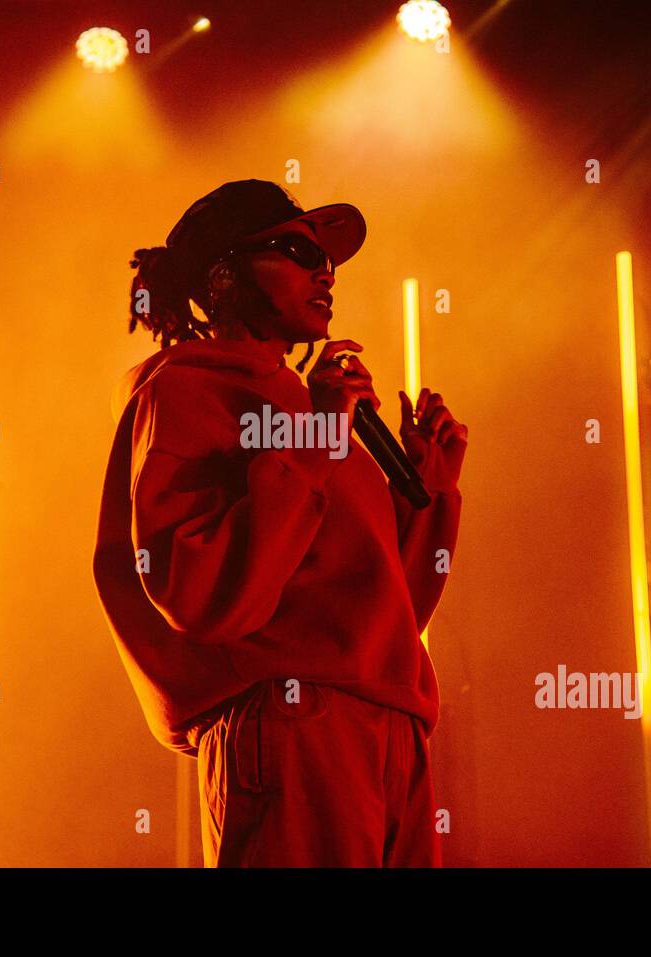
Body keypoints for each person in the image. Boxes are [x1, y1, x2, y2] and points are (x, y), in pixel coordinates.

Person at [92, 179, 467, 866]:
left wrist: (429, 494)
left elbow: (381, 611)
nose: (324, 270)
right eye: (297, 249)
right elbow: (200, 591)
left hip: (390, 726)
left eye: (326, 257)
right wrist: (317, 439)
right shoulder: (184, 387)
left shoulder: (311, 413)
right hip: (295, 721)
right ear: (225, 274)